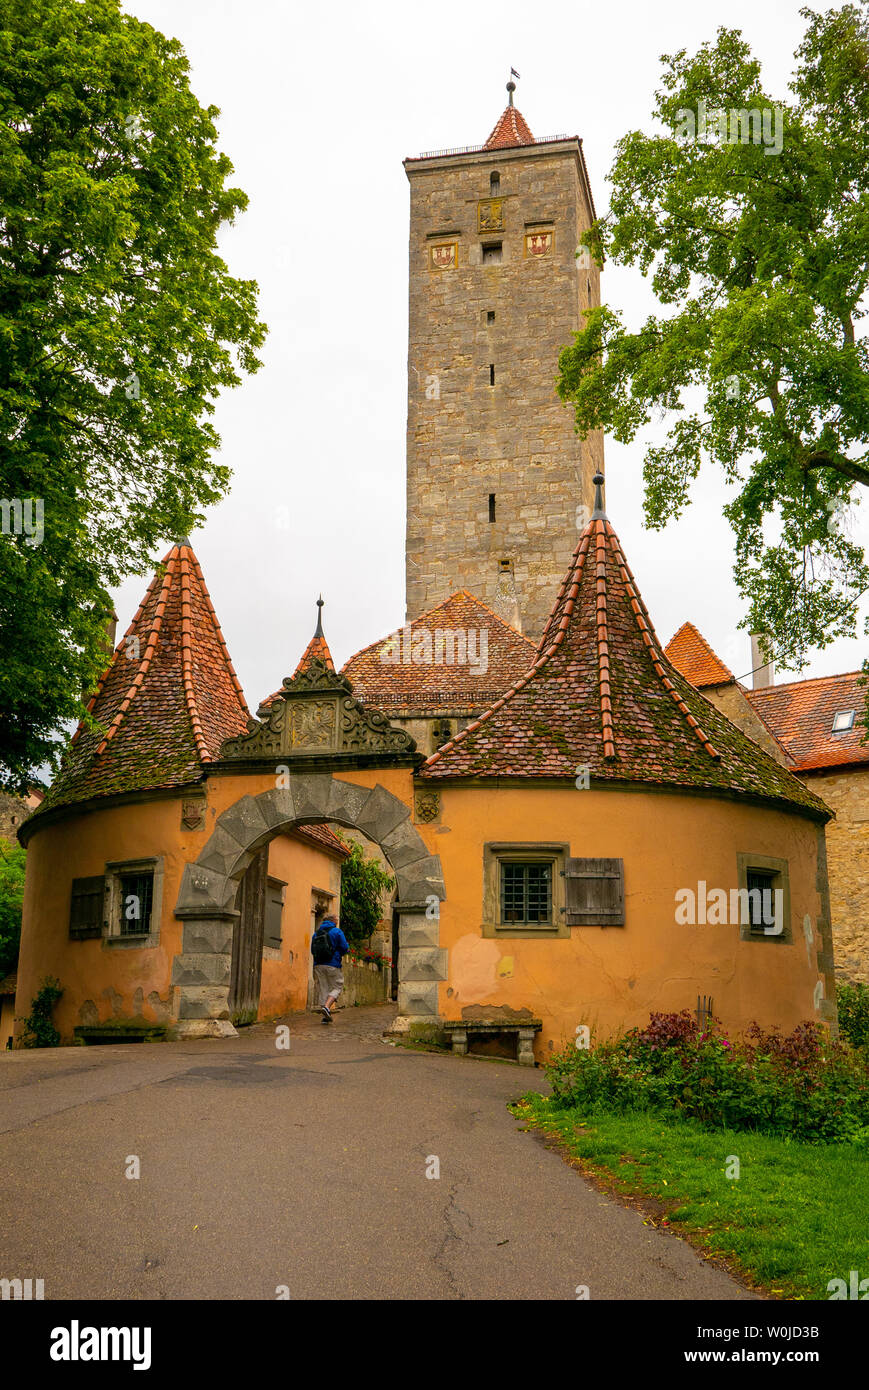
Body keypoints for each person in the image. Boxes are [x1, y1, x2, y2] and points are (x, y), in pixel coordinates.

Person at [311, 914, 349, 1023]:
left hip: (318, 964)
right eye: (337, 919)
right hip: (332, 963)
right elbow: (344, 947)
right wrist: (339, 954)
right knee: (337, 986)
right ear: (333, 921)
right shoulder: (337, 932)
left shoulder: (316, 933)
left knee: (324, 988)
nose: (338, 920)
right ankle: (327, 1007)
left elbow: (312, 950)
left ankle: (325, 1017)